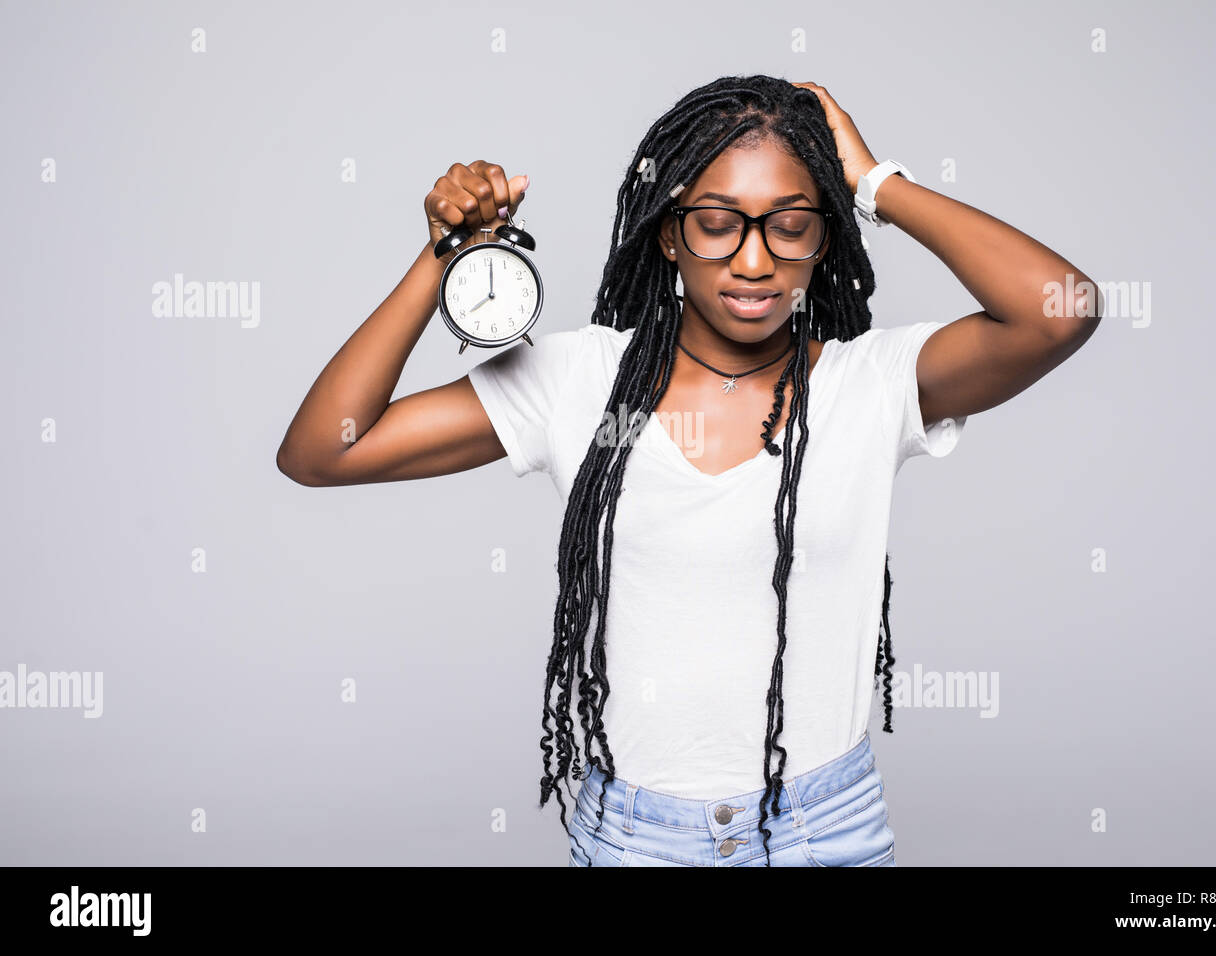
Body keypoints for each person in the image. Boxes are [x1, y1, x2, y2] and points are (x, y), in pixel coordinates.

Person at [276, 74, 1102, 866]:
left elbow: (1060, 310)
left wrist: (872, 182)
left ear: (826, 238)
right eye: (718, 223)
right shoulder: (580, 381)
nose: (754, 260)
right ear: (669, 233)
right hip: (639, 839)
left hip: (825, 830)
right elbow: (324, 449)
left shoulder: (870, 383)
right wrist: (447, 253)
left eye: (790, 224)